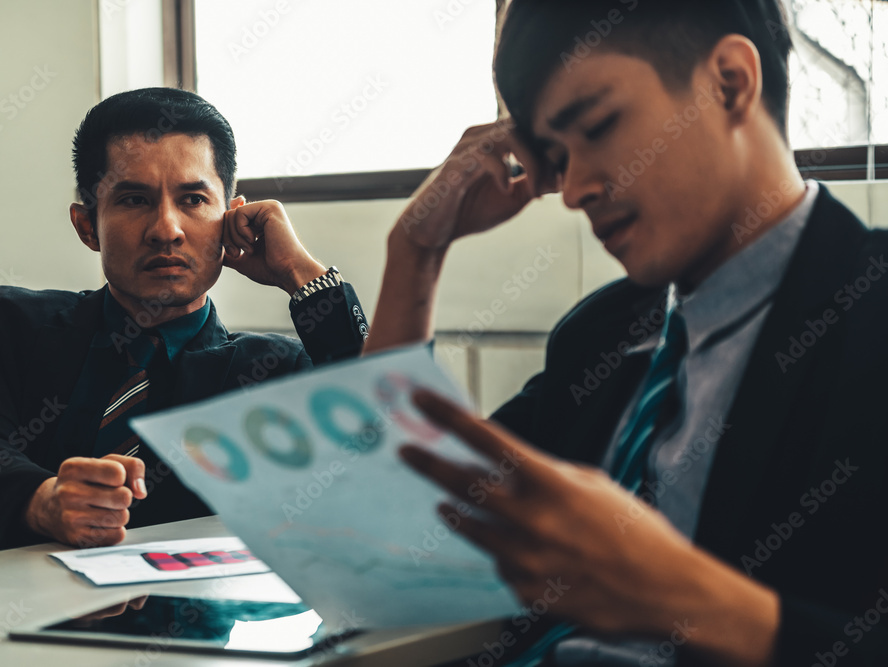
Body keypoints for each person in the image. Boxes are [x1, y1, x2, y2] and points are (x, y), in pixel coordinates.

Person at [364, 1, 887, 665]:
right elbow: (392, 530)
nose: (575, 188)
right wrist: (416, 249)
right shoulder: (600, 335)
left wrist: (685, 597)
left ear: (729, 81)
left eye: (600, 126)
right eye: (555, 157)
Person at [0, 88, 369, 559]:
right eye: (134, 199)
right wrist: (44, 502)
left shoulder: (273, 372)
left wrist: (301, 273)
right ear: (87, 226)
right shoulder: (4, 322)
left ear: (231, 217)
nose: (166, 229)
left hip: (193, 621)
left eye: (194, 199)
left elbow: (388, 451)